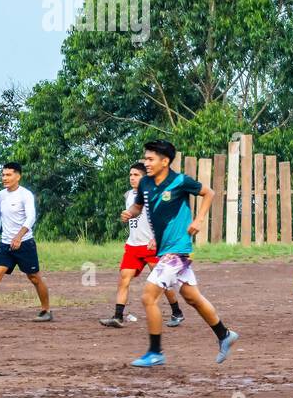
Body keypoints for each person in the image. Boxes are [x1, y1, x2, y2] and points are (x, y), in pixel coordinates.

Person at [124, 140, 238, 367]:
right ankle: (224, 334)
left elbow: (209, 193)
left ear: (165, 161)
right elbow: (138, 207)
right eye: (145, 158)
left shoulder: (180, 181)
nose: (146, 163)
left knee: (148, 297)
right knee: (191, 297)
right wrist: (129, 213)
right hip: (164, 248)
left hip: (178, 250)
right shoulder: (145, 183)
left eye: (151, 159)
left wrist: (199, 218)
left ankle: (155, 352)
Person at [100, 161, 183, 328]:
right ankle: (118, 317)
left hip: (151, 246)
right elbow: (134, 214)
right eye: (130, 175)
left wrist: (157, 238)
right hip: (133, 246)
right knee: (124, 279)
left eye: (136, 175)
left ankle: (177, 312)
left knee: (162, 282)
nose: (132, 178)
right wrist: (126, 216)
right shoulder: (129, 195)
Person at [0, 162, 52, 322]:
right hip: (6, 244)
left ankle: (46, 310)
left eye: (8, 175)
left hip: (24, 243)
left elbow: (31, 217)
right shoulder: (1, 195)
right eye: (3, 175)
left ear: (18, 176)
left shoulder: (25, 194)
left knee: (34, 277)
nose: (4, 178)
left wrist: (19, 237)